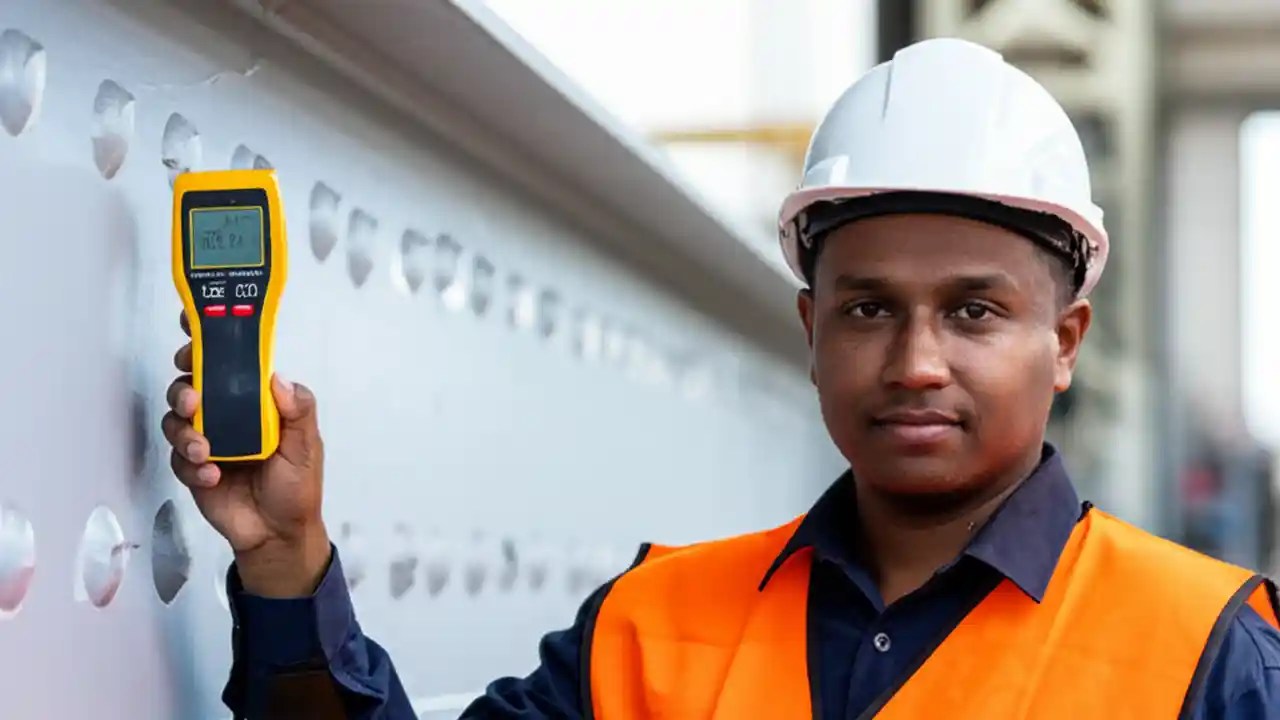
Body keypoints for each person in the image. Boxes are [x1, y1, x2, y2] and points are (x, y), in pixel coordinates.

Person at [162, 37, 1280, 719]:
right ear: (810, 328)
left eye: (973, 312)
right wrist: (285, 563)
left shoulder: (1207, 653)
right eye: (868, 309)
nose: (915, 362)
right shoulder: (648, 630)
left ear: (1066, 341)